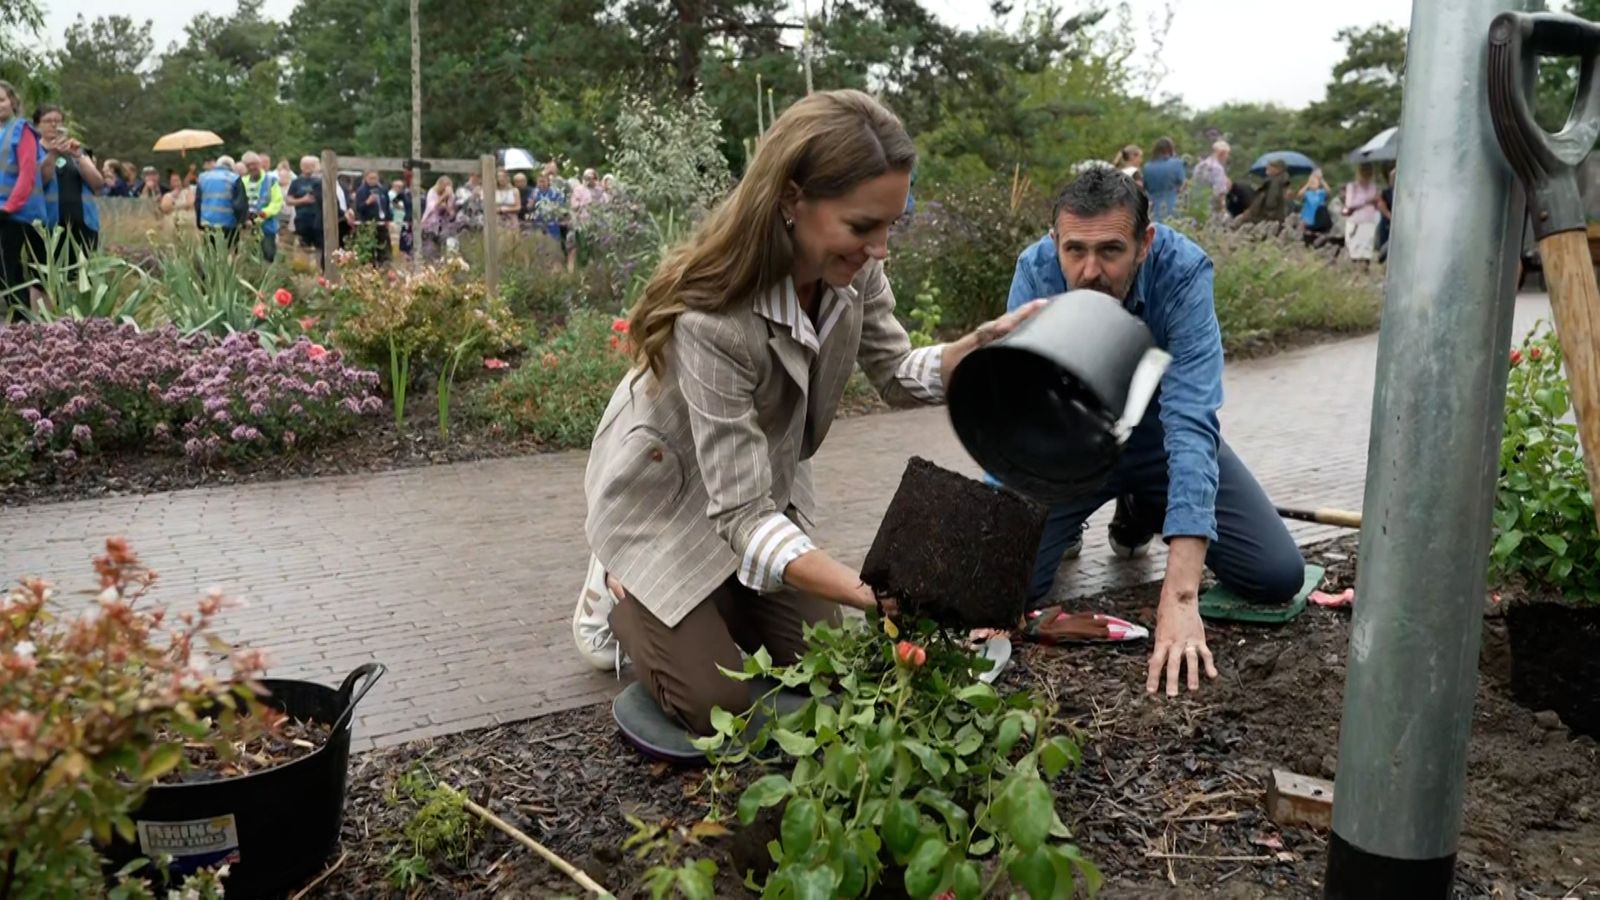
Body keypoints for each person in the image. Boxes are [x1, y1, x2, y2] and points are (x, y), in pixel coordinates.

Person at [571, 89, 1046, 734]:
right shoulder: (713, 316)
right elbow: (738, 513)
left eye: (890, 226)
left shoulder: (851, 272)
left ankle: (715, 594)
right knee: (719, 707)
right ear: (792, 200)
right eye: (862, 227)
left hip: (752, 490)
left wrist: (967, 358)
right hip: (662, 501)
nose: (879, 248)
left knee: (831, 666)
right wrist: (865, 591)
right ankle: (617, 585)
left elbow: (895, 372)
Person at [1002, 167, 1305, 696]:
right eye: (1074, 251)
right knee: (1003, 585)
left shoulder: (1183, 273)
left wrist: (1181, 597)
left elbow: (1190, 421)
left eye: (1110, 251)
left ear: (1145, 242)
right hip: (1071, 445)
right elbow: (1017, 412)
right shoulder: (1034, 271)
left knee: (1276, 575)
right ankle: (1073, 516)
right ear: (1055, 242)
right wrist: (997, 521)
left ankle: (1145, 506)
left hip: (1161, 442)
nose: (1090, 270)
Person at [36, 104, 105, 269]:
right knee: (47, 281)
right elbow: (38, 181)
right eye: (48, 121)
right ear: (37, 125)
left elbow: (97, 183)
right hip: (48, 228)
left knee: (84, 279)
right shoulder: (33, 150)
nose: (54, 125)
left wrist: (79, 156)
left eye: (58, 121)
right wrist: (53, 154)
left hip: (83, 226)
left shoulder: (77, 151)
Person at [0, 80, 47, 306]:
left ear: (13, 102)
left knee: (14, 273)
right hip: (3, 212)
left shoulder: (22, 129)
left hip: (21, 214)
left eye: (1, 100)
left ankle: (20, 327)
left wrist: (10, 206)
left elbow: (27, 174)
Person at [194, 153, 248, 248]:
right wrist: (241, 223)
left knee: (210, 256)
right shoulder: (234, 178)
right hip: (228, 225)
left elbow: (198, 203)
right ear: (232, 167)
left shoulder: (203, 178)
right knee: (229, 256)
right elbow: (240, 205)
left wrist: (199, 223)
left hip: (208, 224)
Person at [240, 152, 285, 262]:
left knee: (268, 256)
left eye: (254, 164)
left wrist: (262, 215)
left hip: (266, 226)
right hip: (248, 226)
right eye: (248, 165)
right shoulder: (243, 181)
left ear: (259, 164)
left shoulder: (271, 181)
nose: (251, 167)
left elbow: (277, 202)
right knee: (250, 258)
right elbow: (240, 202)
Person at [1341, 163, 1383, 263]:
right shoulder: (1353, 186)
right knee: (1355, 248)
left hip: (1369, 220)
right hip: (1356, 221)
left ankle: (1365, 269)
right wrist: (1367, 200)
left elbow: (1376, 205)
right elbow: (1349, 204)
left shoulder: (1373, 187)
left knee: (1367, 249)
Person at [1142, 137, 1187, 221]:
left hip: (1153, 205)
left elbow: (1145, 187)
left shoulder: (1147, 167)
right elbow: (1183, 183)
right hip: (1172, 202)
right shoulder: (1176, 163)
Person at [353, 169, 392, 264]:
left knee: (384, 249)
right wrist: (367, 202)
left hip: (381, 223)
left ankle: (384, 268)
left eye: (375, 178)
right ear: (366, 178)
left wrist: (388, 218)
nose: (373, 180)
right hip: (367, 224)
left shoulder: (382, 190)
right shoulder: (361, 191)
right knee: (369, 251)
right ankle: (370, 269)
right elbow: (358, 208)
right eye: (371, 178)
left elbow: (387, 205)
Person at [285, 156, 322, 251]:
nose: (308, 168)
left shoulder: (320, 181)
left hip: (318, 219)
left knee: (319, 247)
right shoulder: (296, 182)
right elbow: (288, 201)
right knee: (303, 248)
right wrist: (303, 200)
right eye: (306, 165)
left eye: (311, 165)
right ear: (301, 166)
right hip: (302, 219)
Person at [1238, 159, 1290, 224]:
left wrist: (1269, 213)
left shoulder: (1275, 182)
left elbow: (1272, 198)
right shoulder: (1281, 181)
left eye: (1269, 168)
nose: (1267, 170)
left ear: (1277, 169)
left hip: (1268, 214)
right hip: (1275, 214)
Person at [419, 175, 459, 259]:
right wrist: (443, 196)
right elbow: (432, 207)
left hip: (444, 228)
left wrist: (447, 203)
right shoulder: (432, 192)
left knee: (445, 251)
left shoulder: (451, 195)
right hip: (430, 227)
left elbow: (452, 214)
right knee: (429, 252)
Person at [1191, 141, 1230, 210]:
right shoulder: (1218, 168)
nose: (1227, 157)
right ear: (1222, 153)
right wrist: (1223, 210)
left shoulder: (1199, 166)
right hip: (1210, 208)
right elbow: (1220, 193)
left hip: (1195, 206)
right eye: (1227, 154)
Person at [1297, 168, 1333, 242]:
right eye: (1312, 182)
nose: (1314, 184)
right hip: (1308, 217)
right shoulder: (1307, 193)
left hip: (1319, 217)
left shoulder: (1321, 193)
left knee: (1318, 235)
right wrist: (1308, 184)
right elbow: (1299, 195)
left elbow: (1329, 191)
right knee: (1306, 236)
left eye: (1315, 182)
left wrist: (1321, 179)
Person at [158, 170, 194, 235]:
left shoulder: (187, 192)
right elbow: (165, 208)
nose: (176, 183)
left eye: (177, 180)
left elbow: (190, 204)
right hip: (172, 225)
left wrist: (174, 206)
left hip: (186, 223)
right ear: (170, 183)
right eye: (173, 181)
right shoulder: (167, 195)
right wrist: (173, 197)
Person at [389, 177, 414, 257]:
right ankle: (401, 258)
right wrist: (400, 207)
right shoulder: (402, 194)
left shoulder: (416, 194)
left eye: (401, 187)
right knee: (402, 241)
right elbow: (394, 201)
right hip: (404, 220)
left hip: (413, 220)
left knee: (411, 242)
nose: (400, 188)